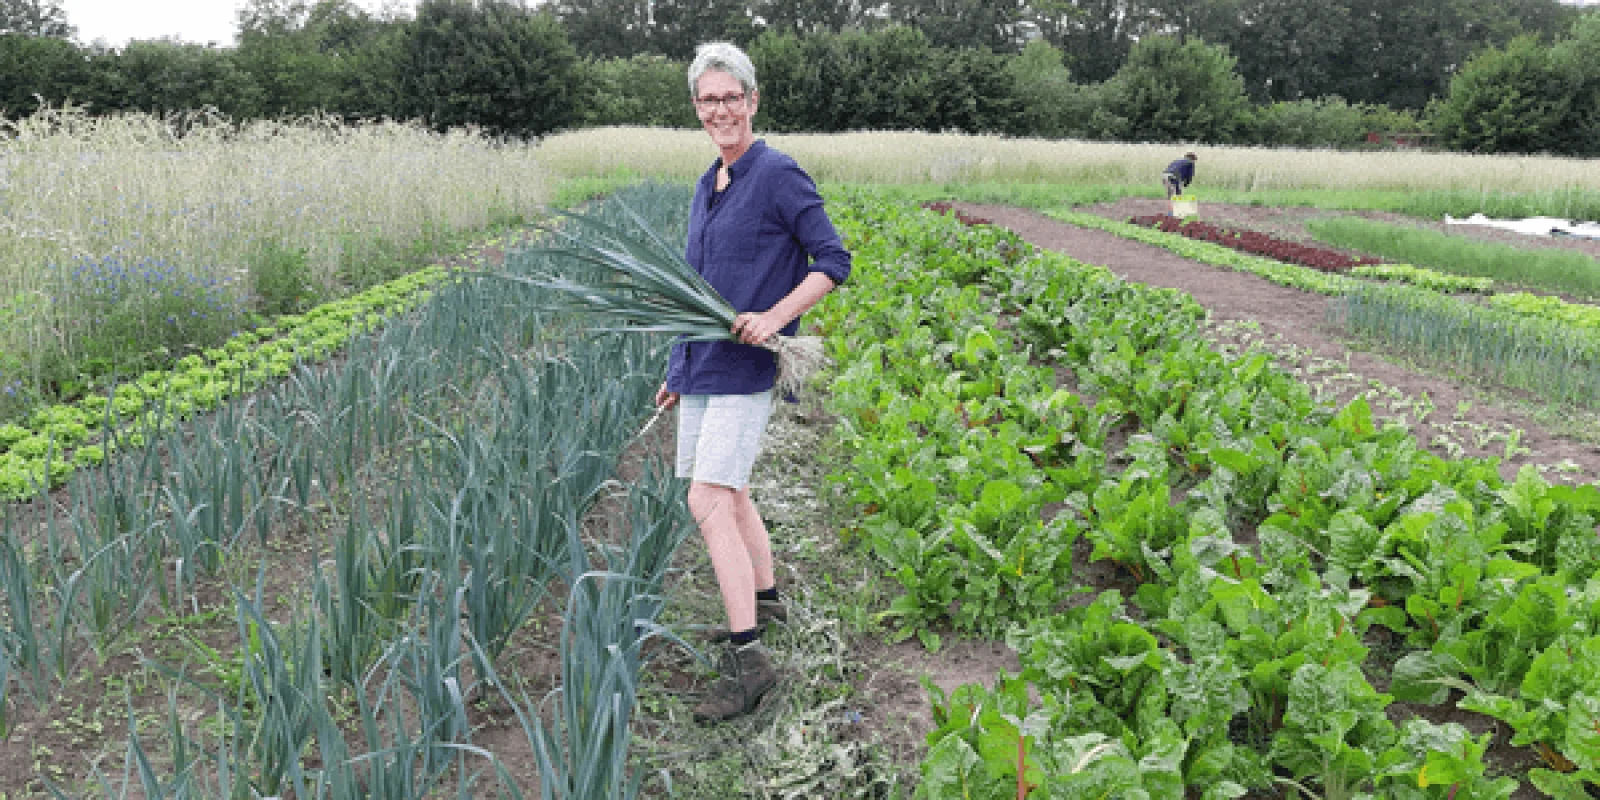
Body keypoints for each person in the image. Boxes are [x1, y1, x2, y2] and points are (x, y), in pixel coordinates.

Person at [653, 41, 851, 724]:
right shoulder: (709, 184)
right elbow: (695, 291)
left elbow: (833, 260)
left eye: (731, 96)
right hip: (704, 367)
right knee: (729, 493)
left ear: (752, 101)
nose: (720, 109)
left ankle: (749, 662)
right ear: (696, 109)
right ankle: (764, 602)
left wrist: (774, 318)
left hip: (745, 370)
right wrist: (677, 372)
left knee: (705, 500)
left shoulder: (776, 174)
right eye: (708, 99)